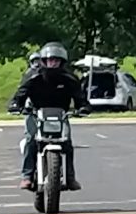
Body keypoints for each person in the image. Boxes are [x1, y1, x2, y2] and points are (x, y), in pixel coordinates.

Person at [8, 41, 89, 191]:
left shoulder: (69, 78)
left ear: (62, 62)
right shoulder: (33, 76)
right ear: (44, 61)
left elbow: (80, 97)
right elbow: (20, 93)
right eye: (50, 60)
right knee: (31, 140)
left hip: (60, 115)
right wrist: (15, 105)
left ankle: (70, 178)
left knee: (67, 144)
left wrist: (83, 107)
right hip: (35, 113)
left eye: (56, 60)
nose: (53, 63)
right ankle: (26, 176)